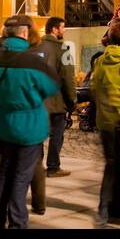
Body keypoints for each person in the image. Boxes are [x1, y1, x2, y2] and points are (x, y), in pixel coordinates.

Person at [0, 16, 60, 229]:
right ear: (25, 33)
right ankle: (17, 223)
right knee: (20, 179)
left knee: (5, 173)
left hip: (6, 123)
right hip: (30, 125)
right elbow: (52, 86)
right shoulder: (34, 62)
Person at [89, 24, 120, 225]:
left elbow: (93, 88)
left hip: (105, 120)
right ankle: (118, 208)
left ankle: (110, 206)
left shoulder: (100, 60)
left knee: (112, 164)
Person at [39, 17, 77, 177]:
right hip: (56, 100)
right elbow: (68, 78)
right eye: (62, 27)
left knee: (38, 134)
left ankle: (35, 166)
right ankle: (53, 166)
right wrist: (72, 101)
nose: (64, 30)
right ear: (55, 29)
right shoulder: (63, 50)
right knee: (57, 134)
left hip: (39, 99)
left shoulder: (36, 47)